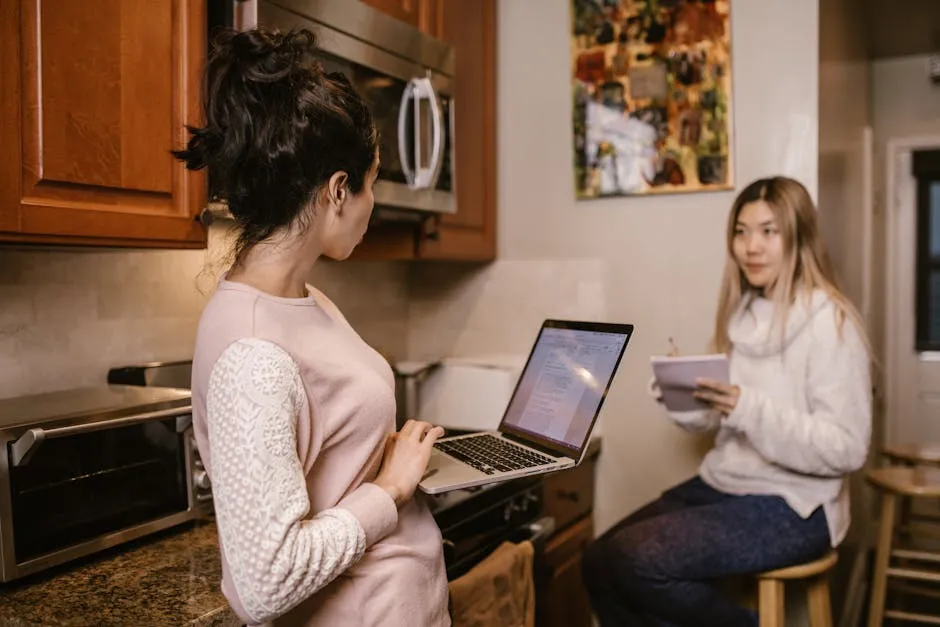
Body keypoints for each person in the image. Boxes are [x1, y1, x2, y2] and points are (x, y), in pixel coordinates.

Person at [174, 28, 449, 627]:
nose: (374, 205)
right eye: (372, 183)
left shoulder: (304, 298)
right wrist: (392, 490)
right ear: (338, 190)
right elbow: (265, 584)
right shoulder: (252, 353)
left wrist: (391, 461)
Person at [581, 176, 872, 626]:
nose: (751, 246)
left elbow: (847, 447)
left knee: (636, 559)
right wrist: (682, 393)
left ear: (799, 237)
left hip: (797, 504)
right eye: (741, 231)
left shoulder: (830, 323)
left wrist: (745, 405)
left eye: (768, 231)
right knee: (599, 561)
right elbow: (721, 420)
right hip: (724, 483)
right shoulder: (742, 314)